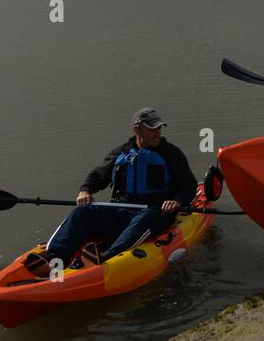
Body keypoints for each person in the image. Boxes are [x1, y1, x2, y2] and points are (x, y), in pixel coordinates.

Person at [24, 107, 197, 276]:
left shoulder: (172, 154)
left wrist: (177, 201)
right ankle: (54, 260)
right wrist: (85, 191)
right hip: (121, 210)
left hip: (156, 212)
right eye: (152, 128)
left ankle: (106, 257)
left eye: (159, 127)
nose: (157, 133)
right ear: (137, 128)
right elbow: (99, 175)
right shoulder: (121, 152)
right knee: (82, 212)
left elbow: (189, 185)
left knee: (145, 217)